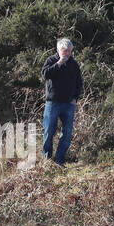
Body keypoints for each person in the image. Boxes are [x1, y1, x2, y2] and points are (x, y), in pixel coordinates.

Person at [40, 37, 82, 165]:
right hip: (53, 103)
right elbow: (45, 74)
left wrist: (75, 98)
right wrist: (58, 63)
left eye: (69, 51)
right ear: (58, 50)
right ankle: (46, 160)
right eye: (64, 51)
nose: (67, 54)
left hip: (68, 104)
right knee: (49, 132)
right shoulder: (51, 60)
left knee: (67, 134)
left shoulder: (74, 64)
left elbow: (79, 82)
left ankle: (59, 161)